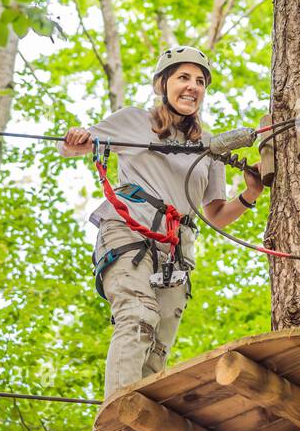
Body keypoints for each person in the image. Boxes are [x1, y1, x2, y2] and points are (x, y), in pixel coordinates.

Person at [62, 46, 265, 399]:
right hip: (129, 233)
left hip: (175, 252)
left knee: (159, 343)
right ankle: (118, 417)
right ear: (163, 84)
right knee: (138, 316)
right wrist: (78, 135)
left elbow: (214, 214)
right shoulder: (135, 122)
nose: (193, 87)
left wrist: (249, 196)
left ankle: (139, 423)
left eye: (200, 81)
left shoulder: (208, 149)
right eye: (183, 77)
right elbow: (74, 148)